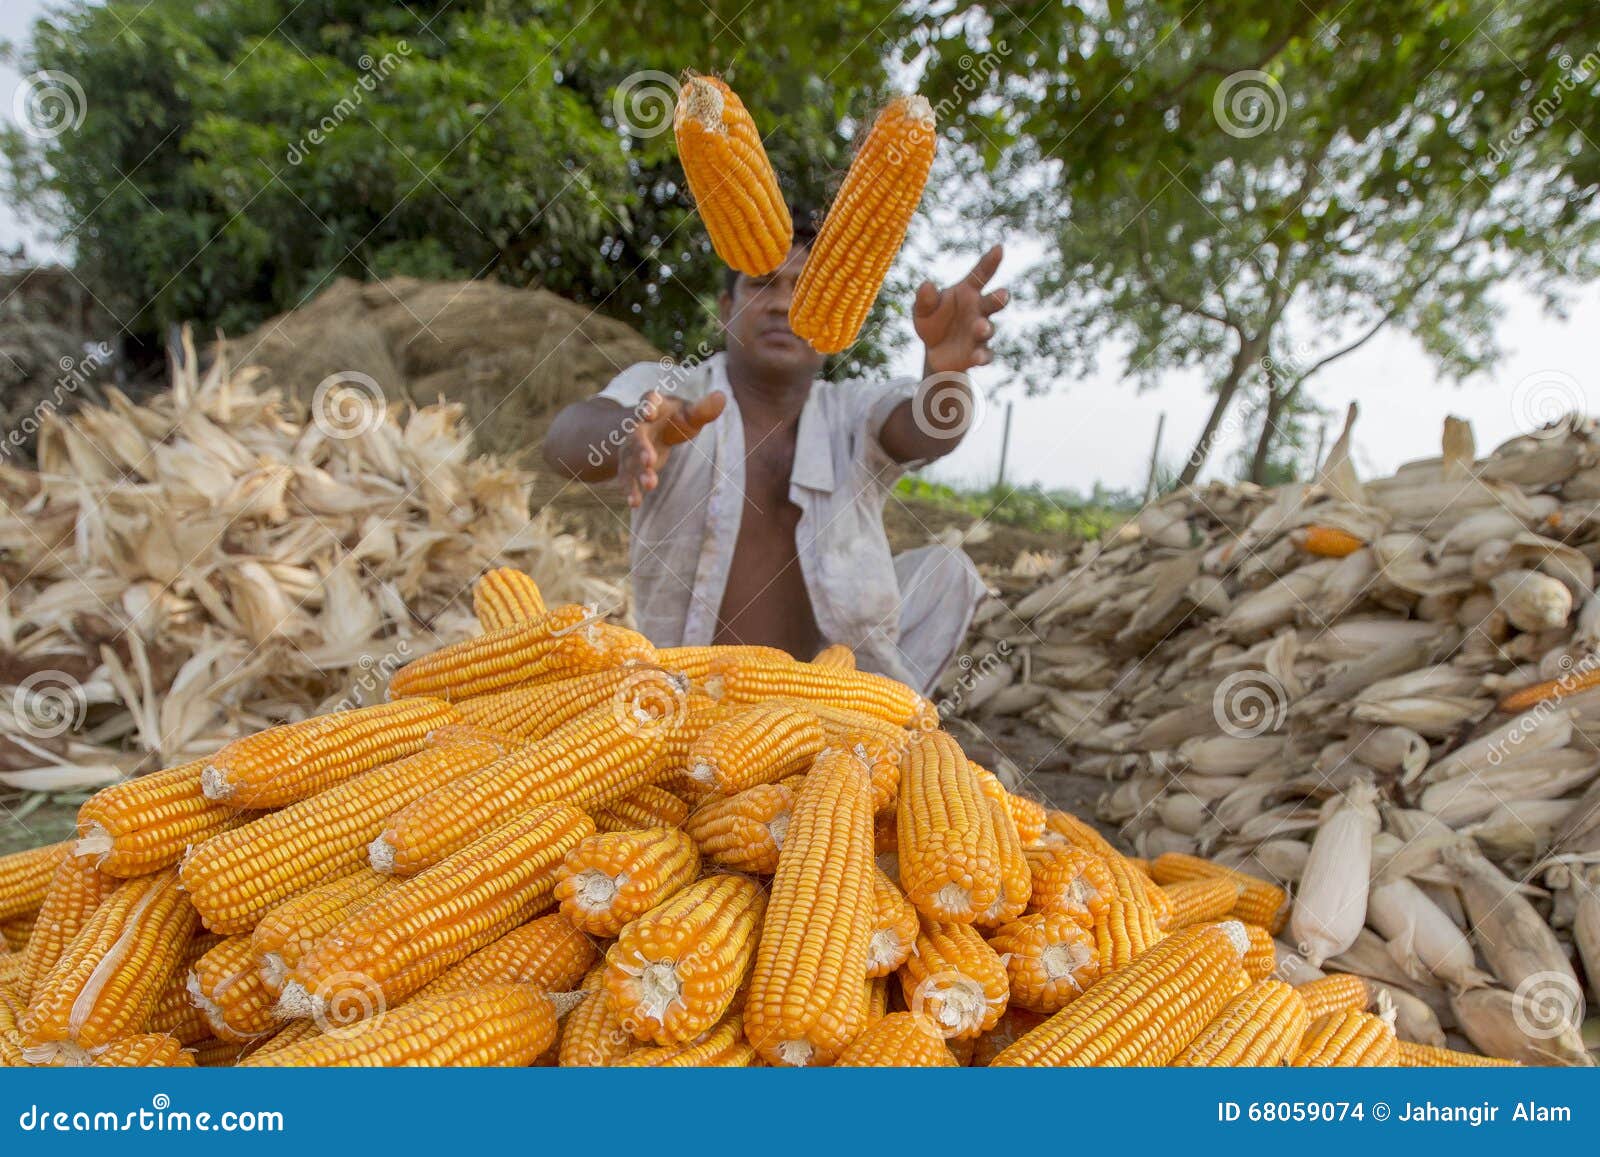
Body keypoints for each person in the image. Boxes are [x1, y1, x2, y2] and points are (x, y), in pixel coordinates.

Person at [543, 210, 1008, 694]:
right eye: (762, 285)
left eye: (804, 290)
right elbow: (563, 442)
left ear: (836, 321)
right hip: (691, 698)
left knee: (945, 572)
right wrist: (631, 428)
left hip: (830, 703)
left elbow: (927, 432)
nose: (782, 303)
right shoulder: (674, 395)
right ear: (726, 308)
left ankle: (890, 720)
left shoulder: (851, 411)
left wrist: (947, 376)